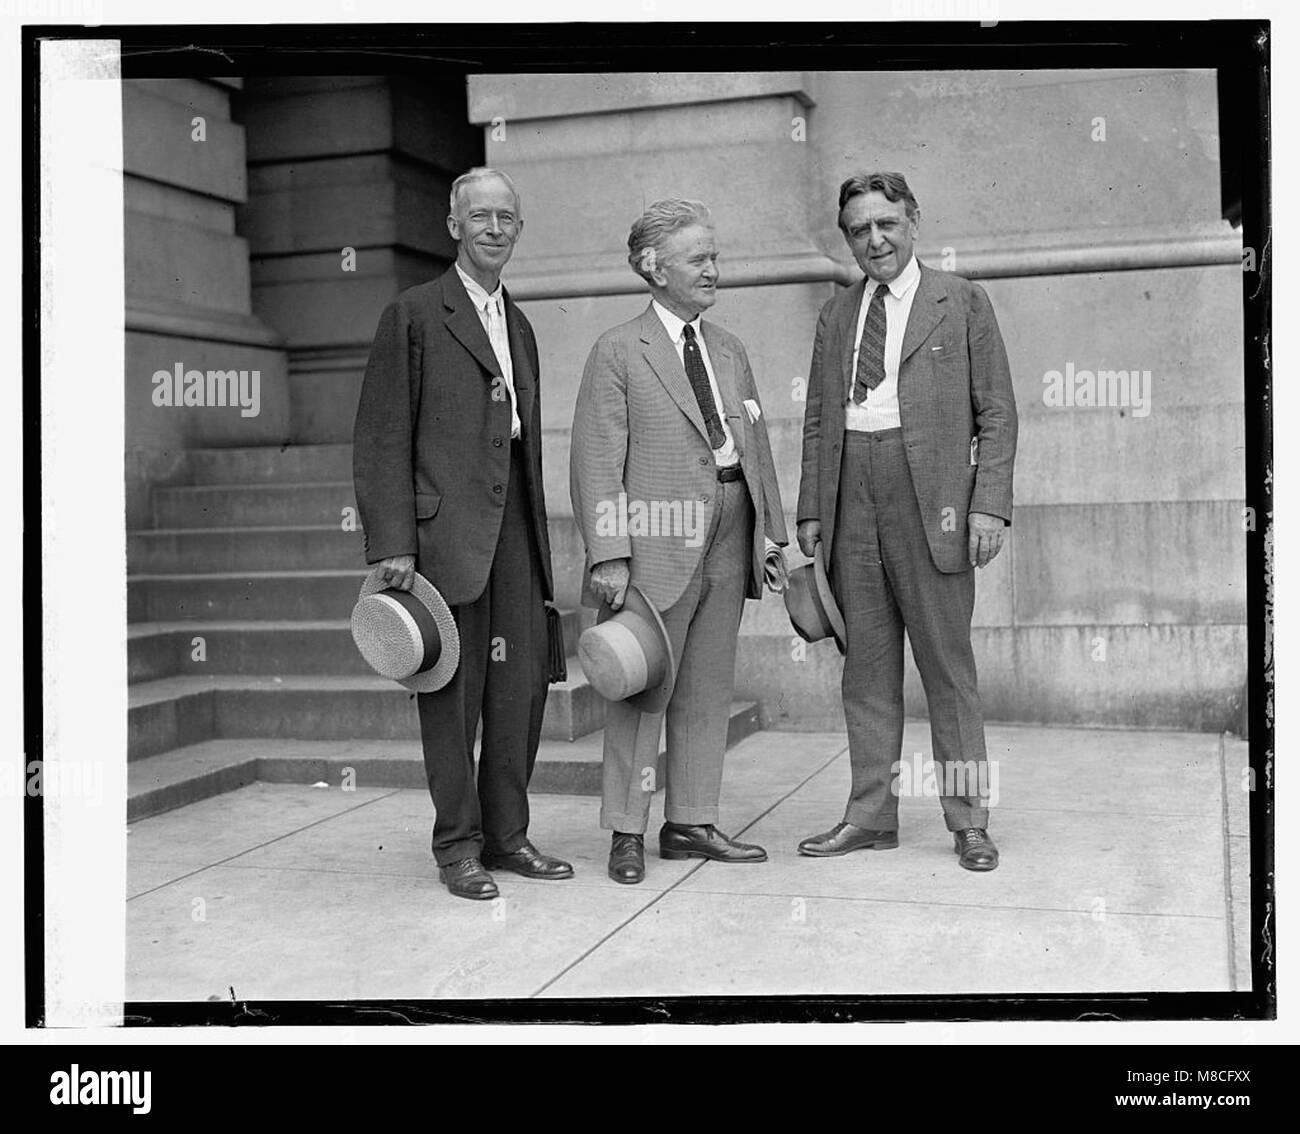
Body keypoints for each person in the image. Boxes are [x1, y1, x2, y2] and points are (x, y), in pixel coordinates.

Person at [352, 167, 572, 900]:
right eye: (480, 216)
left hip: (514, 532)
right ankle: (458, 847)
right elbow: (383, 437)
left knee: (519, 691)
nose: (494, 228)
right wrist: (392, 542)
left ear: (519, 229)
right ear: (453, 225)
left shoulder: (523, 326)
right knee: (451, 693)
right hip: (443, 536)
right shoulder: (414, 315)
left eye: (507, 217)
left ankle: (508, 836)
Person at [795, 172, 1018, 871]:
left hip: (935, 499)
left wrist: (987, 504)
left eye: (886, 224)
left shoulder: (961, 301)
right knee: (865, 671)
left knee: (947, 668)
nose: (875, 240)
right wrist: (811, 511)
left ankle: (968, 819)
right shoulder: (837, 315)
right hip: (849, 495)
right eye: (859, 230)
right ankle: (869, 816)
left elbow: (999, 412)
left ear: (913, 221)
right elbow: (816, 420)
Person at [570, 198, 789, 885]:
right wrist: (609, 554)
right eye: (699, 259)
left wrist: (772, 538)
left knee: (705, 687)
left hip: (730, 530)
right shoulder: (616, 349)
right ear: (652, 267)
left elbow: (756, 445)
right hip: (653, 545)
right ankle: (626, 832)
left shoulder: (729, 348)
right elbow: (596, 460)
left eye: (715, 257)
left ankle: (691, 821)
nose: (713, 271)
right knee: (641, 692)